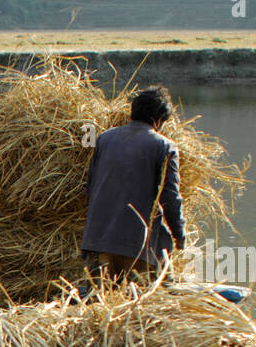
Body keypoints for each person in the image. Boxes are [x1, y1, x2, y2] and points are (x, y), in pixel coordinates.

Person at [80, 86, 186, 280]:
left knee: (97, 301)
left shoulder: (104, 138)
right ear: (159, 120)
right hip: (137, 246)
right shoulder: (163, 146)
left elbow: (90, 186)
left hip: (97, 242)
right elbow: (170, 197)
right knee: (154, 297)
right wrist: (179, 234)